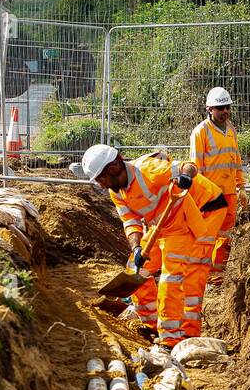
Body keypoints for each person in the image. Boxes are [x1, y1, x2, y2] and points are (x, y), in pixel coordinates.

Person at [75, 144, 227, 346]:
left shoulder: (149, 170)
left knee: (181, 275)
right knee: (136, 270)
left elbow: (188, 166)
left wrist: (187, 178)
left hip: (203, 210)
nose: (101, 186)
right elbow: (130, 222)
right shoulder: (117, 191)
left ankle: (179, 338)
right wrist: (137, 248)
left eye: (101, 179)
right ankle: (152, 327)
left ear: (112, 168)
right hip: (165, 222)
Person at [190, 87, 245, 276]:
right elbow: (195, 167)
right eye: (220, 108)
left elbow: (236, 160)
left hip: (229, 192)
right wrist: (200, 196)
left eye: (227, 107)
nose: (225, 112)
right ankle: (202, 274)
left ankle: (217, 275)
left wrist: (241, 186)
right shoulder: (200, 132)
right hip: (210, 196)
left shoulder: (231, 130)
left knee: (226, 236)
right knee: (208, 236)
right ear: (209, 109)